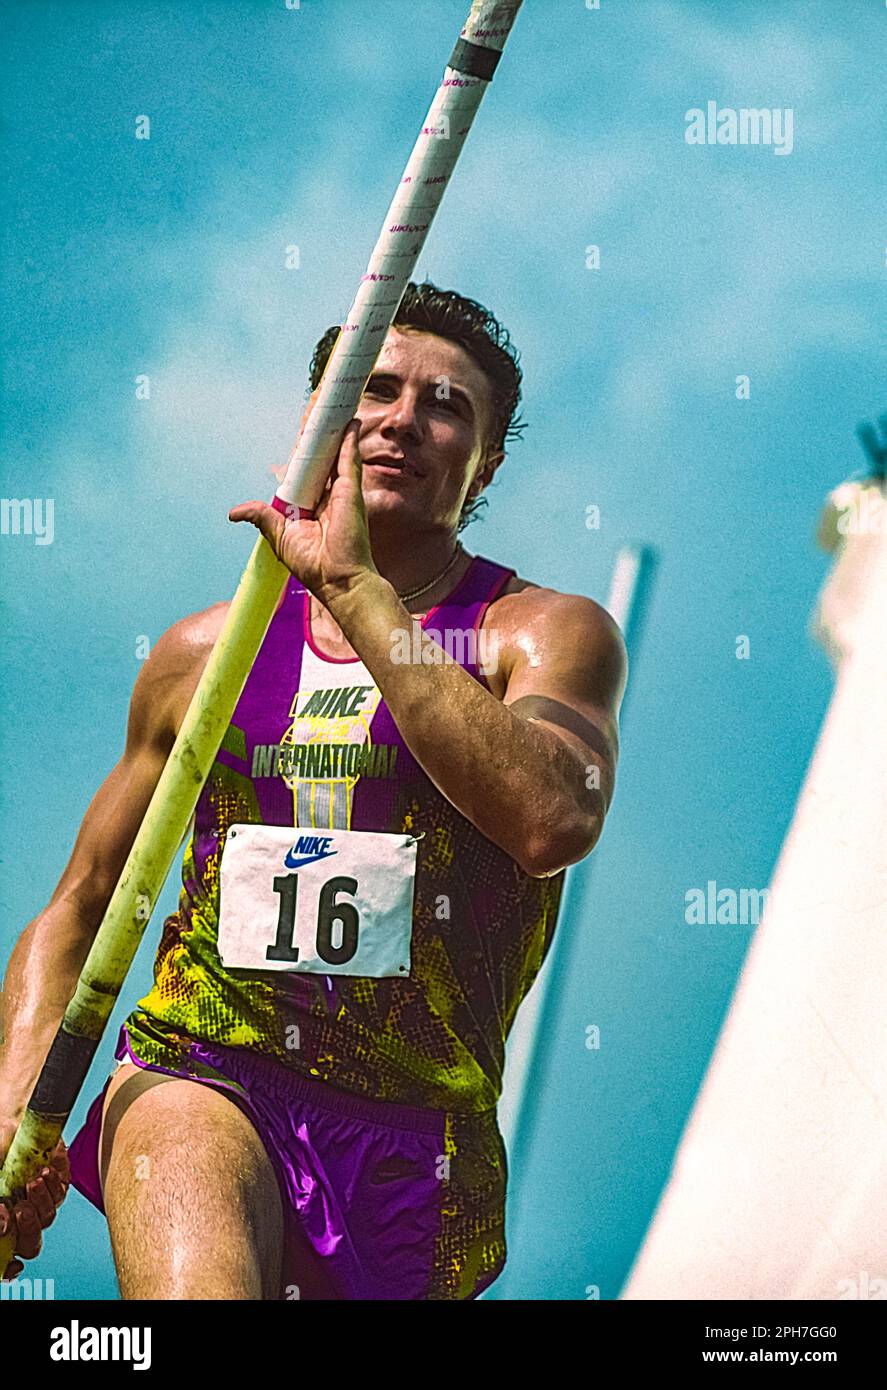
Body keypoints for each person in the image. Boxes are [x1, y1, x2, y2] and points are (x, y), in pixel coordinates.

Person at [0, 281, 626, 1299]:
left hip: (417, 1143)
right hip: (201, 1066)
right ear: (317, 423)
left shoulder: (539, 633)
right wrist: (13, 1114)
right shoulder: (200, 654)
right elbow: (81, 905)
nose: (399, 420)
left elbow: (551, 816)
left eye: (444, 406)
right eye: (372, 390)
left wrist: (357, 594)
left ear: (486, 465)